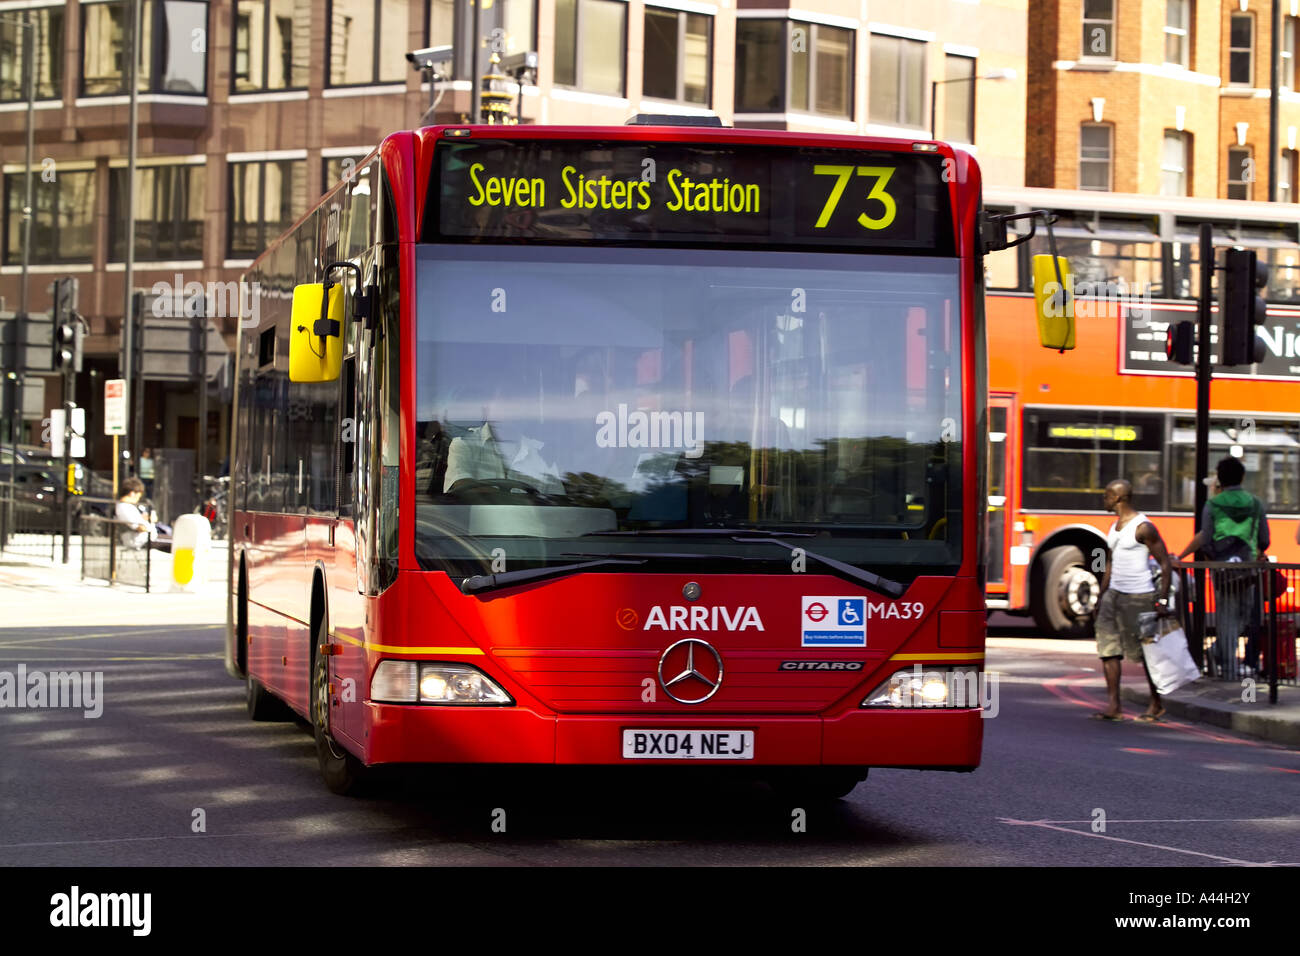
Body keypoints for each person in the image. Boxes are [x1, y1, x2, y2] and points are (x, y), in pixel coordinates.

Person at [1177, 456, 1270, 677]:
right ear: (1243, 476)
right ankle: (1223, 660)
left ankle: (1226, 666)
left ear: (1220, 478)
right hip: (1249, 568)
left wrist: (1206, 556)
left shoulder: (1212, 505)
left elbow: (1206, 537)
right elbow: (1265, 539)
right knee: (1245, 617)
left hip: (1222, 570)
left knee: (1227, 617)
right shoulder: (1255, 503)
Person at [1092, 478, 1172, 721]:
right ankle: (1114, 706)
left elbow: (1165, 564)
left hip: (1139, 596)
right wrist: (1101, 596)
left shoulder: (1144, 527)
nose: (1103, 498)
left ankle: (1155, 703)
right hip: (1113, 596)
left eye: (1107, 494)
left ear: (1119, 498)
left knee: (1145, 653)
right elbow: (1109, 565)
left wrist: (1163, 600)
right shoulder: (1113, 526)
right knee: (1108, 650)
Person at [115, 478, 171, 553]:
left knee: (175, 540)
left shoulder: (126, 506)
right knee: (176, 543)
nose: (138, 500)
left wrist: (145, 519)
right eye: (138, 497)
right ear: (132, 493)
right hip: (141, 540)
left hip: (146, 538)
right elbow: (140, 527)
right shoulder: (124, 508)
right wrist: (148, 524)